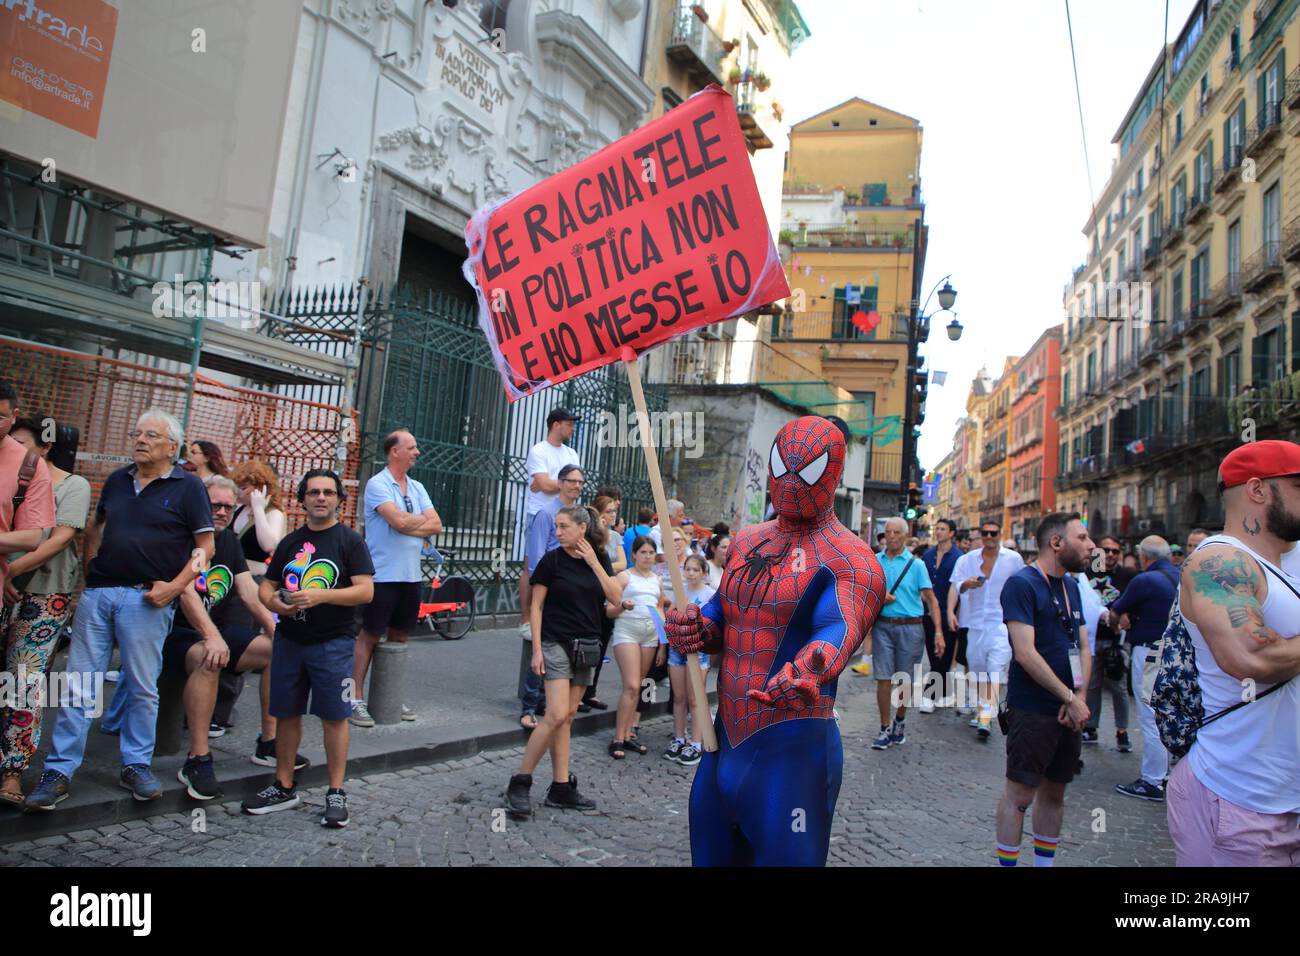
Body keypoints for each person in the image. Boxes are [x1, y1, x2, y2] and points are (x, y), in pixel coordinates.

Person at [664, 416, 884, 866]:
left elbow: (838, 627)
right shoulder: (746, 541)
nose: (789, 483)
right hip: (722, 741)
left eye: (805, 472)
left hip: (793, 752)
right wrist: (695, 628)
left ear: (834, 475)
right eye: (781, 467)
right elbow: (724, 616)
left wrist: (810, 667)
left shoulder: (852, 558)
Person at [24, 409, 213, 811]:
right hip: (99, 594)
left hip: (148, 600)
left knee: (142, 686)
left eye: (151, 435)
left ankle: (136, 765)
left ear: (172, 447)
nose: (140, 440)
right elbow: (95, 526)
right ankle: (58, 771)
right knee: (78, 685)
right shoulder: (116, 480)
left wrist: (176, 587)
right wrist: (90, 570)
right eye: (137, 432)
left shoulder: (189, 487)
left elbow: (205, 550)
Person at [1167, 440, 1300, 866]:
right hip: (1240, 799)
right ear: (1259, 491)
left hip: (1282, 800)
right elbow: (1251, 659)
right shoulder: (1219, 561)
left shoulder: (1283, 566)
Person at [240, 469, 374, 827]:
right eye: (313, 492)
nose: (320, 497)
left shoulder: (350, 542)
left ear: (338, 500)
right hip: (289, 640)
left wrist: (321, 595)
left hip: (334, 643)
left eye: (328, 492)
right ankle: (283, 785)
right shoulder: (290, 542)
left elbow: (365, 591)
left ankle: (335, 791)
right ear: (303, 499)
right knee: (285, 712)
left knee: (335, 715)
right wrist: (275, 605)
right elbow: (267, 587)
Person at [162, 476, 307, 800]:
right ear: (199, 505)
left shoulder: (227, 541)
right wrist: (212, 637)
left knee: (276, 651)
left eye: (229, 506)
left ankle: (268, 743)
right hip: (176, 631)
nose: (223, 511)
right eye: (216, 505)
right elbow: (185, 594)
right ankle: (197, 758)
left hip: (218, 630)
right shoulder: (179, 537)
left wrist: (276, 629)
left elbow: (247, 590)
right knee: (208, 657)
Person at [504, 505, 622, 818]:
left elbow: (615, 599)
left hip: (587, 645)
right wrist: (538, 650)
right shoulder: (551, 561)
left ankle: (560, 787)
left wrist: (594, 562)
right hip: (555, 642)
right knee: (555, 714)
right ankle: (520, 781)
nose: (557, 533)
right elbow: (536, 606)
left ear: (582, 528)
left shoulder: (598, 558)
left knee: (568, 716)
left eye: (563, 526)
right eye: (556, 526)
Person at [995, 512, 1093, 867]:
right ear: (1057, 543)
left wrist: (1078, 697)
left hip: (1068, 711)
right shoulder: (1022, 584)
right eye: (1082, 538)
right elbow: (1025, 652)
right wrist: (1068, 697)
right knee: (1020, 795)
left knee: (1055, 792)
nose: (1091, 545)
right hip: (1033, 708)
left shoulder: (1072, 586)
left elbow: (1082, 645)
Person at [0, 413, 85, 807]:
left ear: (45, 446)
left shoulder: (72, 485)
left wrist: (9, 572)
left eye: (21, 442)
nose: (13, 449)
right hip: (6, 586)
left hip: (42, 594)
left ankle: (13, 770)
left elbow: (56, 538)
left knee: (24, 683)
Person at [351, 430, 442, 727]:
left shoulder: (416, 487)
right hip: (382, 575)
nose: (417, 452)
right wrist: (415, 523)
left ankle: (387, 697)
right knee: (369, 636)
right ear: (394, 451)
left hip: (411, 576)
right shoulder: (379, 484)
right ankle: (353, 699)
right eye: (412, 447)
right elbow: (398, 521)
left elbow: (436, 524)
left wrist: (408, 525)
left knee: (400, 636)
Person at [517, 410, 581, 720]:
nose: (575, 486)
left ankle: (548, 699)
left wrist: (550, 484)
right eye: (568, 424)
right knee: (533, 565)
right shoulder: (539, 450)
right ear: (556, 425)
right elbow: (540, 484)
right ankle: (527, 615)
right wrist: (551, 484)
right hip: (542, 514)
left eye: (577, 482)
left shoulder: (571, 453)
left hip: (565, 519)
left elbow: (545, 483)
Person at [1107, 535, 1179, 801]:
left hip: (1150, 652)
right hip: (1177, 654)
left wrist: (1118, 623)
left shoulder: (1144, 579)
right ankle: (1169, 774)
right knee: (1170, 713)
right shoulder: (1182, 576)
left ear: (1144, 557)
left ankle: (1152, 780)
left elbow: (1116, 611)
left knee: (1150, 716)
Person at [870, 516, 943, 750]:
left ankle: (899, 721)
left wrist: (939, 632)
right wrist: (880, 597)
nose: (891, 536)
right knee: (883, 678)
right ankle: (883, 728)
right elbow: (864, 591)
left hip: (911, 627)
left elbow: (931, 600)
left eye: (896, 532)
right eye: (888, 532)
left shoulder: (917, 565)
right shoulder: (875, 561)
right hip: (882, 625)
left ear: (904, 535)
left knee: (903, 679)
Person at [947, 520, 1025, 736]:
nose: (989, 537)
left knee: (997, 669)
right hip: (974, 623)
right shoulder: (967, 560)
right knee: (978, 669)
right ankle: (983, 708)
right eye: (985, 533)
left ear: (1000, 534)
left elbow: (1024, 586)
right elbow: (956, 586)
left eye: (993, 533)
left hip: (1001, 624)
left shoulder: (1014, 559)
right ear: (980, 535)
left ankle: (986, 714)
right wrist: (953, 608)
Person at [610, 534, 668, 758]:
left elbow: (659, 611)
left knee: (642, 684)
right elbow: (609, 609)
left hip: (650, 634)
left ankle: (627, 735)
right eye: (643, 552)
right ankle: (617, 737)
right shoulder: (625, 577)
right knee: (632, 685)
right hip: (628, 630)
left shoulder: (657, 580)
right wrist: (624, 606)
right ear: (634, 554)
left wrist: (663, 643)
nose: (647, 556)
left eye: (651, 553)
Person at [1083, 535, 1134, 751]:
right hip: (1092, 638)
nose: (1110, 554)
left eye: (1115, 551)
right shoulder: (1087, 573)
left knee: (1118, 687)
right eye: (1106, 550)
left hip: (1116, 640)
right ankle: (1091, 726)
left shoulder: (1127, 576)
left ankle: (1121, 731)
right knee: (1092, 684)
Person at [664, 553, 712, 764]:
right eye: (688, 569)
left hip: (698, 649)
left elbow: (713, 624)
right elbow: (670, 617)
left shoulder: (710, 594)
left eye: (695, 569)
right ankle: (679, 737)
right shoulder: (679, 591)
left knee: (696, 698)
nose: (691, 573)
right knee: (679, 697)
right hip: (677, 648)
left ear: (703, 572)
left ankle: (696, 743)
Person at [579, 494, 624, 714]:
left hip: (604, 603)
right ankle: (577, 692)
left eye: (614, 512)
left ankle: (590, 691)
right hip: (584, 604)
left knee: (598, 646)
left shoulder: (611, 541)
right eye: (608, 512)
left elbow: (622, 563)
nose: (612, 516)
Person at [919, 518, 961, 713]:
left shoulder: (959, 557)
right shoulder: (927, 555)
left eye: (943, 529)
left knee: (943, 654)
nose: (939, 532)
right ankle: (944, 692)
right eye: (937, 528)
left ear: (951, 533)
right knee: (932, 651)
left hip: (948, 611)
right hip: (927, 611)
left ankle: (929, 694)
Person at [228, 460, 287, 578]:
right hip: (230, 574)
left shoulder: (274, 513)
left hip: (254, 577)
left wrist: (258, 509)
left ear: (260, 488)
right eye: (238, 487)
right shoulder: (240, 508)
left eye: (244, 488)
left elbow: (269, 545)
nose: (239, 493)